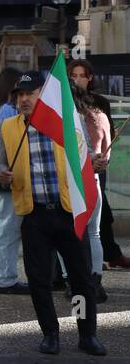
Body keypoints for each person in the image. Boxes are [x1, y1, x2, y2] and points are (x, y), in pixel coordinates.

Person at [0, 70, 105, 356]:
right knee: (39, 278)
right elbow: (0, 164)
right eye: (20, 94)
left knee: (80, 278)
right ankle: (50, 333)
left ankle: (87, 333)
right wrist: (3, 174)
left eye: (29, 94)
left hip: (68, 212)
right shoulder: (9, 127)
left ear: (43, 96)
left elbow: (83, 157)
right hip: (34, 215)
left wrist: (95, 161)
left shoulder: (67, 122)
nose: (23, 99)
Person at [70, 59, 130, 269]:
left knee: (99, 208)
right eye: (73, 75)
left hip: (97, 161)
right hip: (75, 162)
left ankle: (106, 255)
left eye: (81, 75)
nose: (77, 80)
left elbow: (109, 133)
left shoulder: (99, 103)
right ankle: (105, 255)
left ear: (90, 78)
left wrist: (104, 158)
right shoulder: (66, 100)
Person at [0, 68, 28, 294]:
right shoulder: (8, 111)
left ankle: (3, 277)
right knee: (7, 231)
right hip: (9, 175)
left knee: (2, 228)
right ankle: (4, 279)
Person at [72, 85, 110, 303]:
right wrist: (98, 161)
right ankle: (95, 280)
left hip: (72, 183)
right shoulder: (97, 116)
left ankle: (73, 282)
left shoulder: (67, 119)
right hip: (93, 180)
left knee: (72, 233)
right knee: (93, 232)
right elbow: (105, 153)